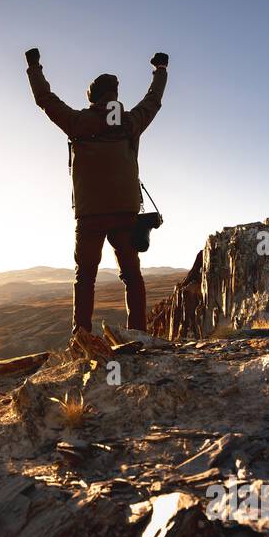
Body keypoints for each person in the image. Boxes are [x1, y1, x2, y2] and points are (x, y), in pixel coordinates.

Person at [25, 48, 168, 349]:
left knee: (85, 276)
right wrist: (160, 69)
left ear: (93, 98)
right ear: (114, 95)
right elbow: (153, 101)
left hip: (90, 214)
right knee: (131, 274)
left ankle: (82, 335)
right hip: (125, 212)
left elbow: (45, 100)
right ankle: (138, 334)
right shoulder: (130, 123)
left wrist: (34, 66)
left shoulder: (78, 123)